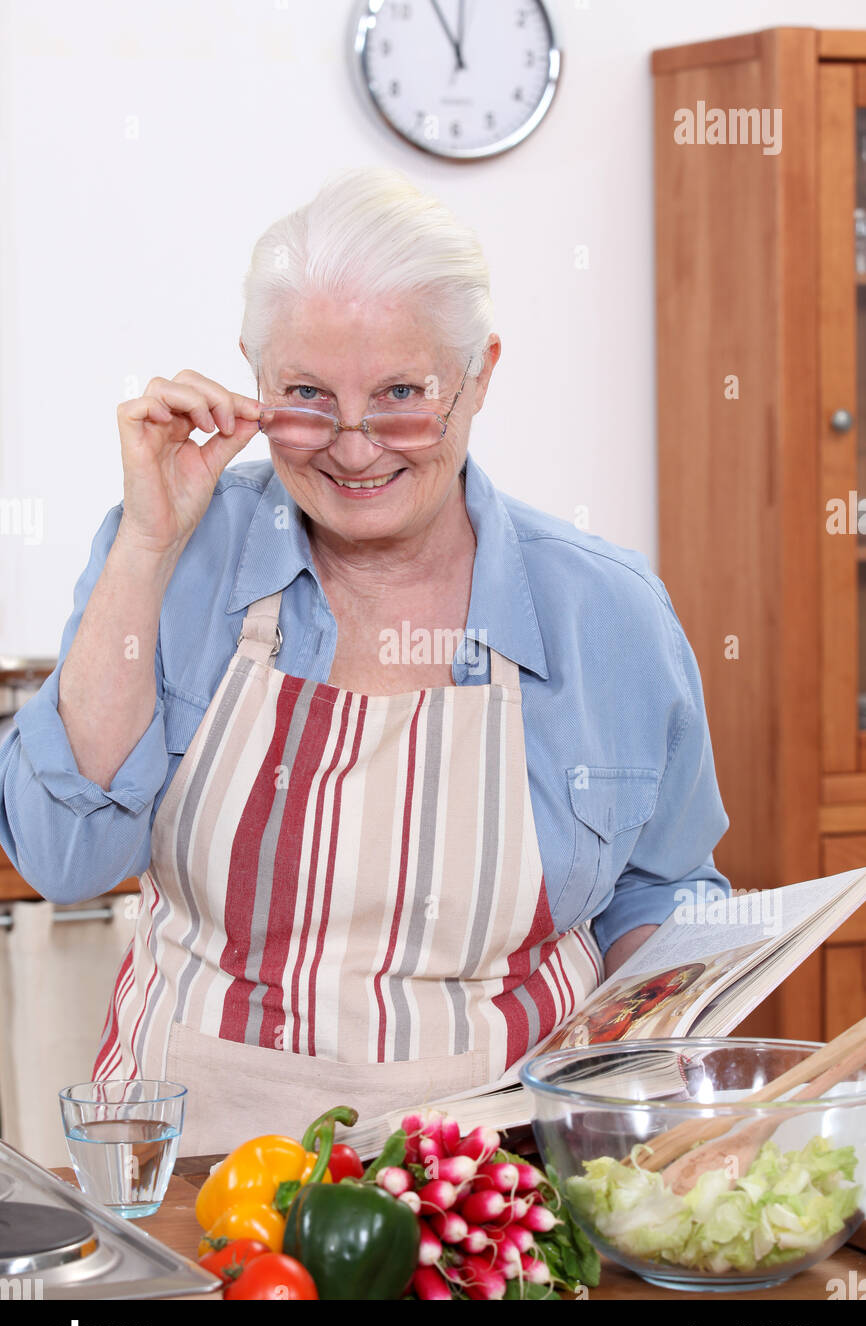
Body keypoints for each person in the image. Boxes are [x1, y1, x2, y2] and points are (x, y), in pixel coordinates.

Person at [0, 167, 730, 1153]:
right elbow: (60, 860)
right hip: (195, 1177)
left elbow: (663, 884)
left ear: (479, 376)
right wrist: (143, 545)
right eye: (305, 396)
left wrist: (655, 1024)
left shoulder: (604, 610)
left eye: (400, 395)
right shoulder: (179, 552)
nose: (352, 449)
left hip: (499, 1182)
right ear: (252, 379)